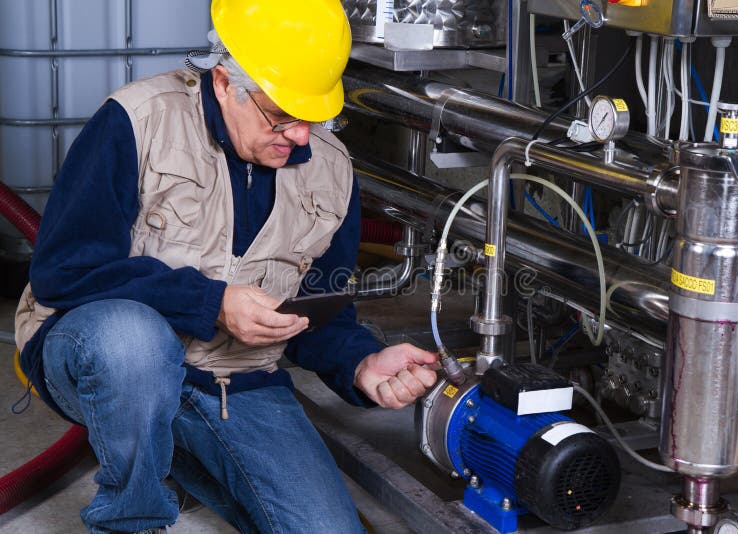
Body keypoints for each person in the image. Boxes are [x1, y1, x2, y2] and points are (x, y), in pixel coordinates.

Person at [14, 1, 439, 532]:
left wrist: (360, 363)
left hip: (234, 376)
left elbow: (317, 308)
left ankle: (176, 455)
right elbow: (65, 269)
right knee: (132, 341)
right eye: (281, 115)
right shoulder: (138, 121)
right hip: (107, 356)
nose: (302, 136)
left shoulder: (332, 170)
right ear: (223, 82)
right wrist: (212, 303)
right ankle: (132, 518)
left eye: (315, 116)